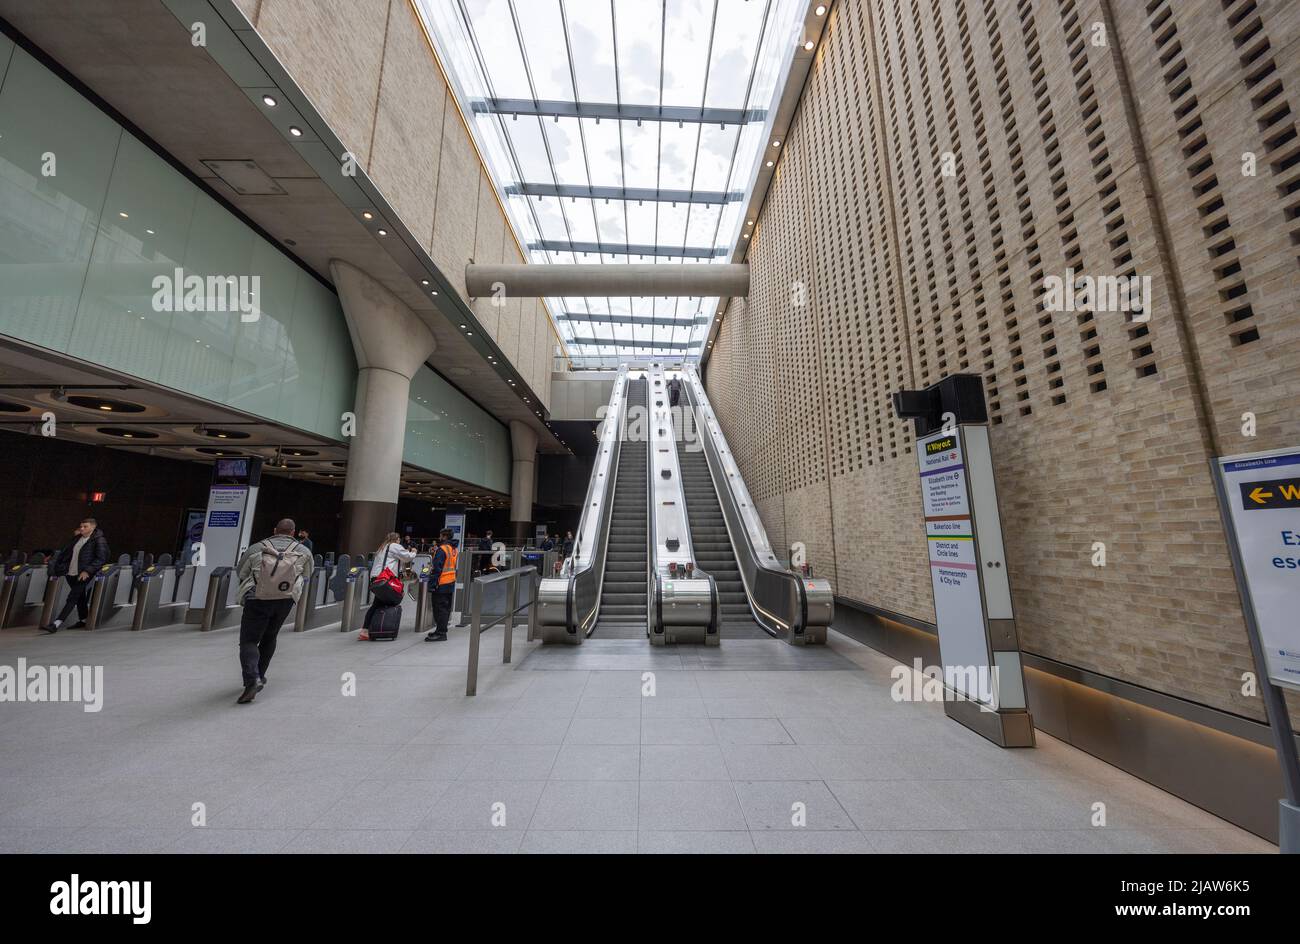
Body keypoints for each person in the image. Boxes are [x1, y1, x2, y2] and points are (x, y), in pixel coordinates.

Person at [233, 518, 312, 704]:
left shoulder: (256, 548)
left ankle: (252, 679)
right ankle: (260, 674)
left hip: (257, 598)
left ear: (275, 530)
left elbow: (241, 572)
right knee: (270, 636)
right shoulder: (303, 550)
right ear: (293, 532)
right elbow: (307, 575)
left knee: (249, 640)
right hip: (284, 599)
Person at [40, 518, 110, 633]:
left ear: (93, 527)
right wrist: (60, 567)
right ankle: (83, 620)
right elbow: (65, 553)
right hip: (70, 573)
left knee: (72, 597)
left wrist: (87, 571)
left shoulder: (99, 540)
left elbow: (101, 558)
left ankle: (56, 623)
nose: (82, 528)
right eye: (81, 526)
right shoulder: (77, 538)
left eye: (85, 526)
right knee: (80, 597)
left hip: (84, 574)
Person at [424, 528, 458, 642]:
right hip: (451, 581)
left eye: (440, 536)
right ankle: (441, 629)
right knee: (445, 608)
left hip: (441, 583)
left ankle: (441, 633)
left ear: (444, 536)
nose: (439, 538)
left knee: (439, 608)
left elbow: (436, 569)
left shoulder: (442, 549)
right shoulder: (454, 549)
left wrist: (432, 585)